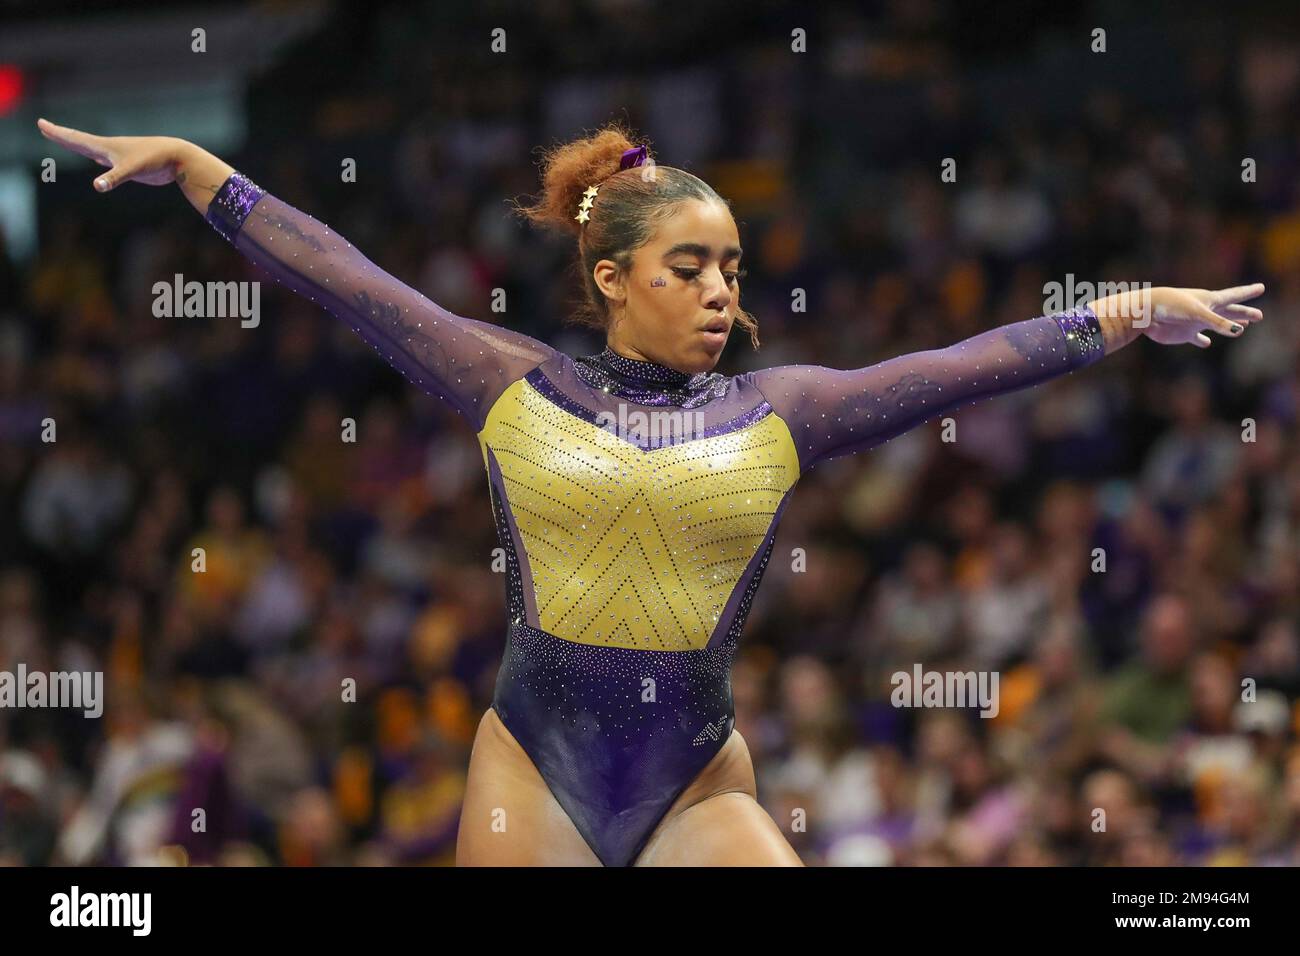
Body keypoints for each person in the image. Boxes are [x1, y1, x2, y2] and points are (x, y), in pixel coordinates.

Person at [35, 117, 1266, 866]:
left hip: (690, 776)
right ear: (614, 275)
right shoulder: (508, 384)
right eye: (692, 265)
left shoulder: (783, 411)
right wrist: (200, 168)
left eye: (732, 265)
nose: (723, 289)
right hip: (532, 763)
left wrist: (1124, 312)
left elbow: (959, 366)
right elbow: (349, 280)